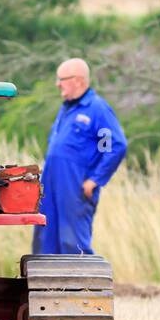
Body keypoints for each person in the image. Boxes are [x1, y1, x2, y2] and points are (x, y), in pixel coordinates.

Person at [33, 58, 127, 255]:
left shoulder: (96, 109)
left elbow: (113, 146)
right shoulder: (66, 108)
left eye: (62, 79)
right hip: (50, 185)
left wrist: (95, 179)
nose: (57, 84)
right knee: (44, 238)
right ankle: (45, 277)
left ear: (78, 80)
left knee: (72, 242)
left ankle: (81, 277)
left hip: (75, 187)